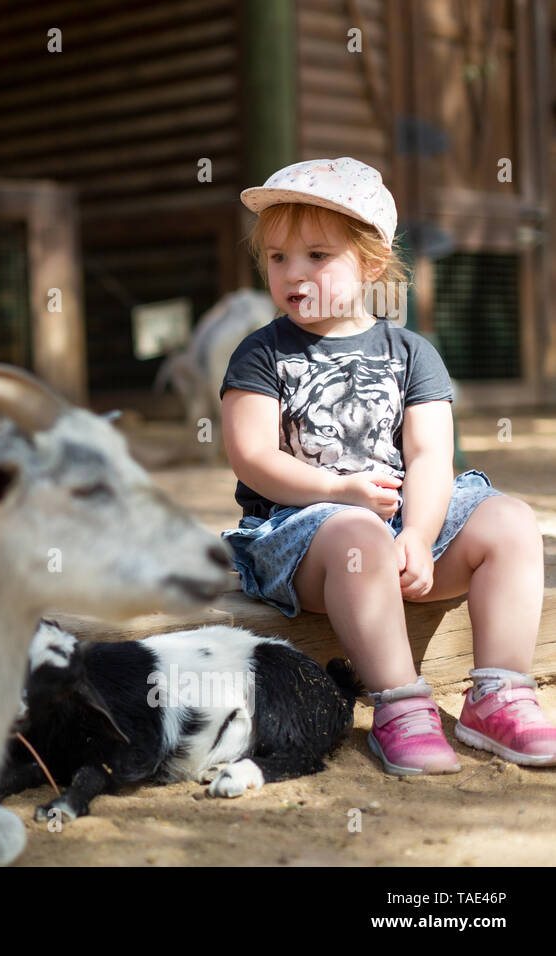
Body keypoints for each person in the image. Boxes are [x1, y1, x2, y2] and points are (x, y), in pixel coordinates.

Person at [219, 157, 556, 774]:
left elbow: (431, 455)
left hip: (405, 528)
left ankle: (500, 693)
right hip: (306, 543)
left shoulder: (412, 352)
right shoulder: (262, 353)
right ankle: (400, 703)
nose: (294, 274)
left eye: (317, 256)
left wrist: (423, 537)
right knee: (357, 531)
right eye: (277, 258)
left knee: (509, 518)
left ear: (371, 264)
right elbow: (253, 457)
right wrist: (337, 489)